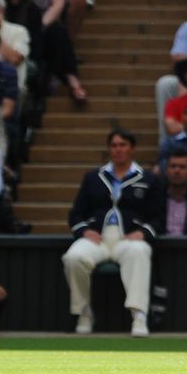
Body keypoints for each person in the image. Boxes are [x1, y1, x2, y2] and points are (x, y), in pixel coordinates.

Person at [63, 129, 162, 337]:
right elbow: (76, 214)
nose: (118, 150)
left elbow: (158, 217)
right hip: (98, 238)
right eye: (114, 145)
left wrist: (143, 233)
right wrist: (84, 231)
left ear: (132, 148)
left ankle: (139, 315)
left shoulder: (149, 179)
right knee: (74, 257)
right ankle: (84, 312)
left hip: (128, 237)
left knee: (139, 252)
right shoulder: (93, 177)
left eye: (123, 145)